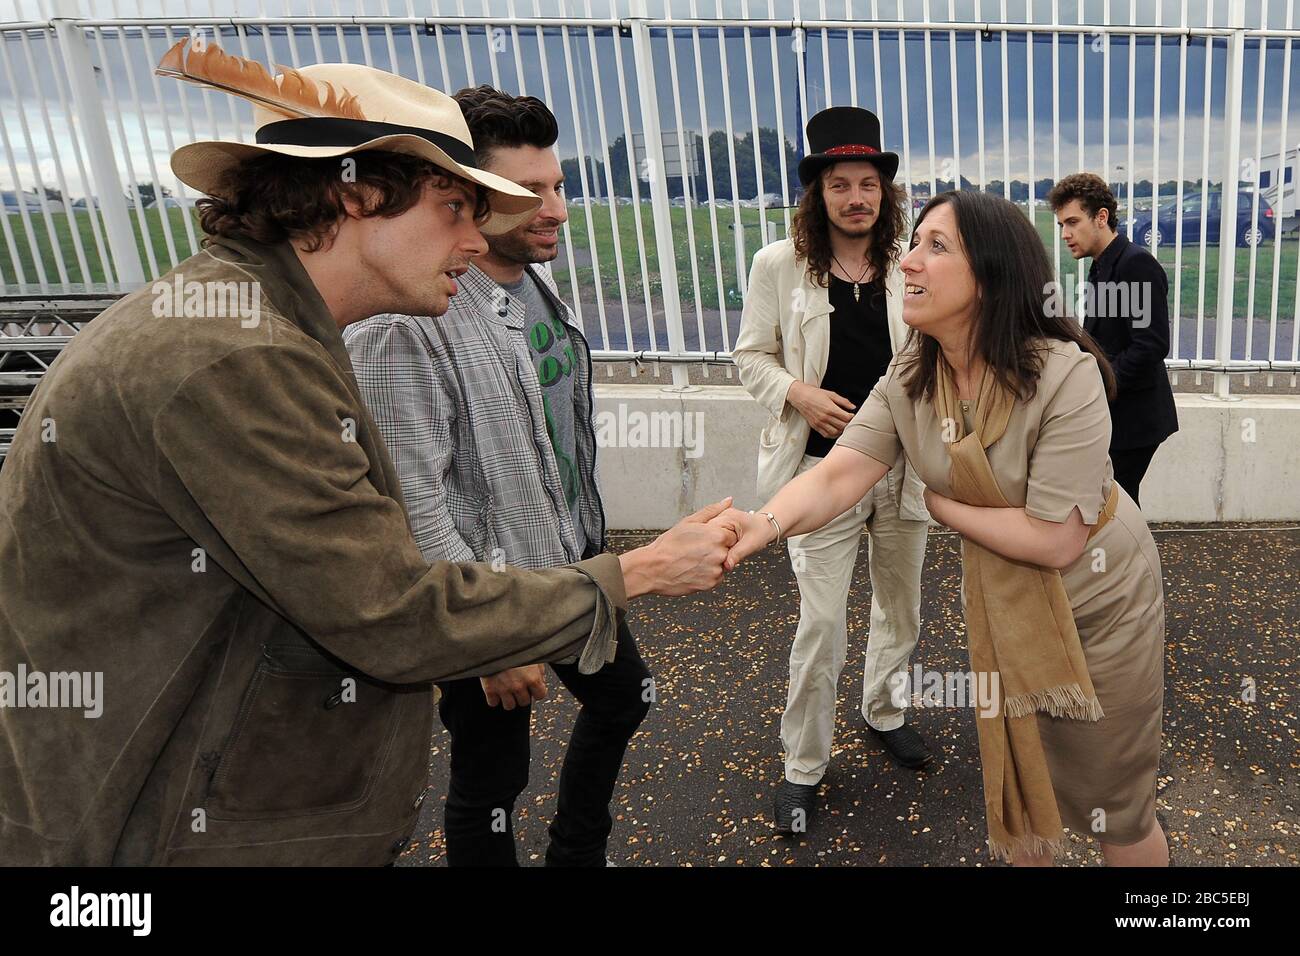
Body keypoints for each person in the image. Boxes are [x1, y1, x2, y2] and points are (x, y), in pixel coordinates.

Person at [0, 41, 734, 866]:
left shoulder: (259, 327)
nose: (477, 238)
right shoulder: (238, 359)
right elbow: (391, 613)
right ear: (355, 198)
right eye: (455, 209)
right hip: (159, 834)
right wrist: (639, 571)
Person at [716, 190, 1169, 866]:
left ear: (991, 273)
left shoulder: (1064, 375)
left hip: (1098, 608)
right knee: (1020, 783)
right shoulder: (913, 370)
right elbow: (841, 474)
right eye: (915, 243)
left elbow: (1056, 541)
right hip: (1008, 607)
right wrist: (760, 525)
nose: (908, 263)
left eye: (936, 247)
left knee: (1116, 807)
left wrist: (941, 506)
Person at [345, 86, 649, 867]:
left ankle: (578, 851)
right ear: (470, 196)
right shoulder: (405, 320)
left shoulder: (533, 286)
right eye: (530, 193)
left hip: (570, 565)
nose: (558, 209)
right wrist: (482, 646)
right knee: (491, 779)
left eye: (558, 184)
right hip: (486, 595)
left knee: (622, 697)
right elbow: (411, 508)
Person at [733, 106, 932, 835]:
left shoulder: (914, 260)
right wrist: (798, 393)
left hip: (903, 470)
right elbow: (749, 354)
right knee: (821, 627)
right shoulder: (777, 264)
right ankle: (803, 767)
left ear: (886, 193)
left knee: (900, 608)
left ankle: (884, 711)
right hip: (817, 474)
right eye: (840, 184)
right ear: (817, 194)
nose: (857, 197)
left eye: (869, 184)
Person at [1049, 172, 1178, 506]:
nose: (1065, 234)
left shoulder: (1135, 264)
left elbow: (1151, 344)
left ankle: (1132, 559)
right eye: (1062, 224)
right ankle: (1125, 557)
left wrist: (1099, 383)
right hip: (1117, 414)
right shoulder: (1103, 264)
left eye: (1073, 222)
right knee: (1114, 506)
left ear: (1101, 217)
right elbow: (1105, 338)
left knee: (1115, 508)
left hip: (1135, 420)